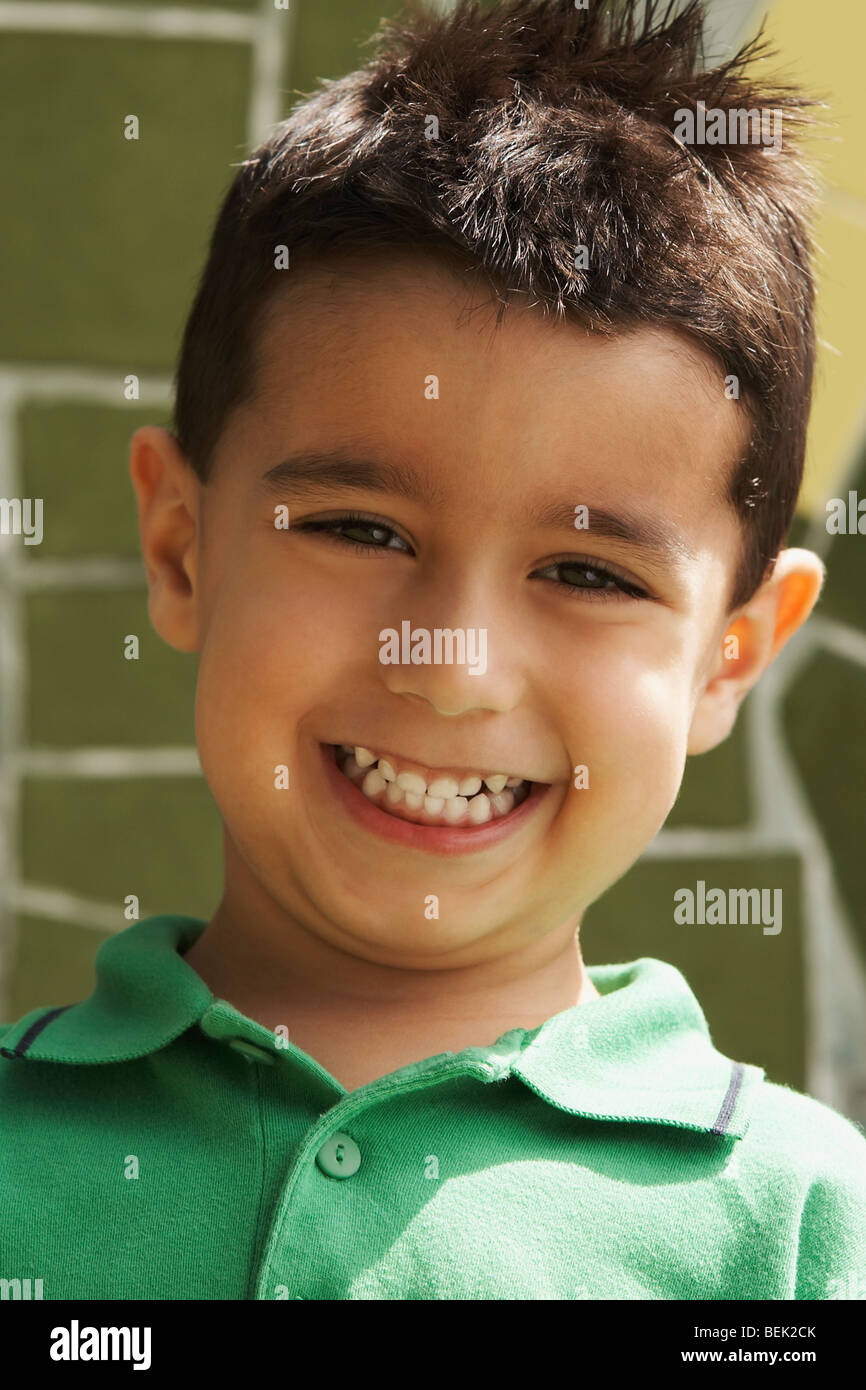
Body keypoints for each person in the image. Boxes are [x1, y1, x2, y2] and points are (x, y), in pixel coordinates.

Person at [3, 0, 864, 1300]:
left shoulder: (796, 1231)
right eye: (359, 528)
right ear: (183, 548)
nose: (450, 662)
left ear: (728, 660)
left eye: (586, 571)